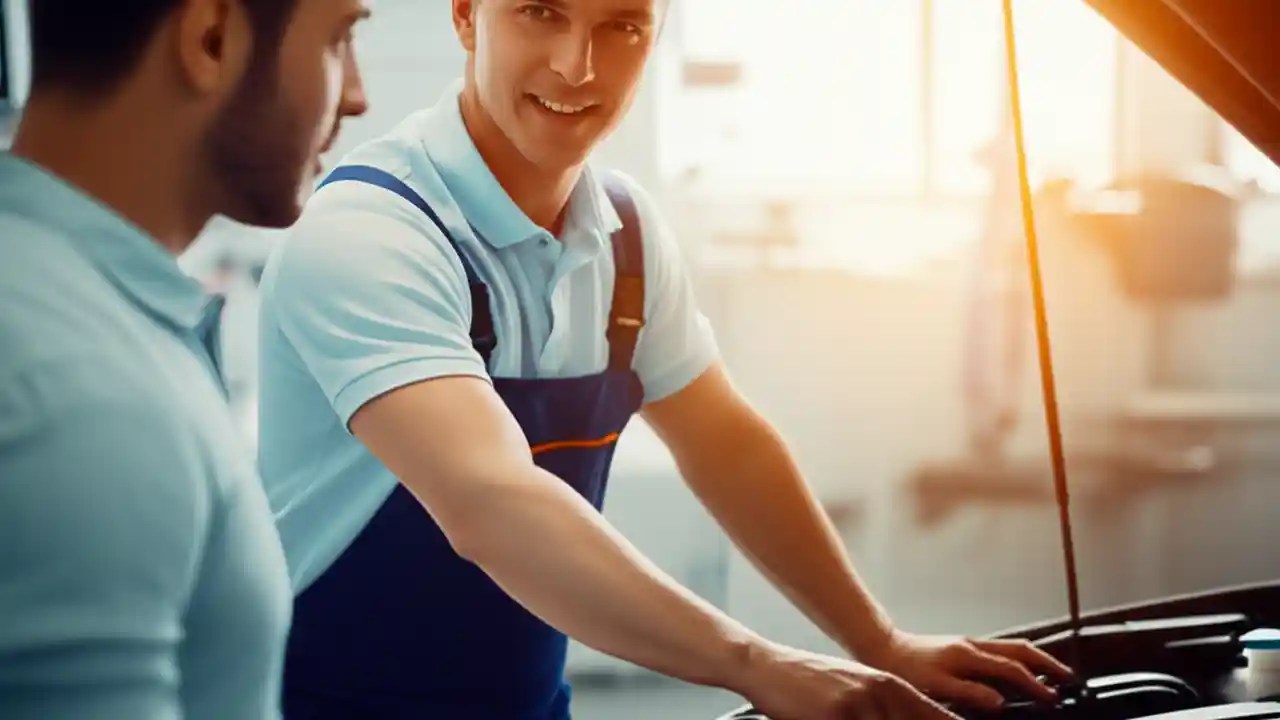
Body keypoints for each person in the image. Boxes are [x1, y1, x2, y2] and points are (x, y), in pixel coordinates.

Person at [258, 1, 1074, 718]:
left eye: (622, 26)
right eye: (541, 13)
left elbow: (725, 443)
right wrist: (757, 666)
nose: (577, 67)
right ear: (467, 15)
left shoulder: (627, 233)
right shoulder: (372, 232)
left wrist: (879, 640)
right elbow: (490, 504)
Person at [0, 1, 369, 718]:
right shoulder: (82, 398)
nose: (356, 92)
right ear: (210, 38)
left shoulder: (67, 307)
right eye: (338, 41)